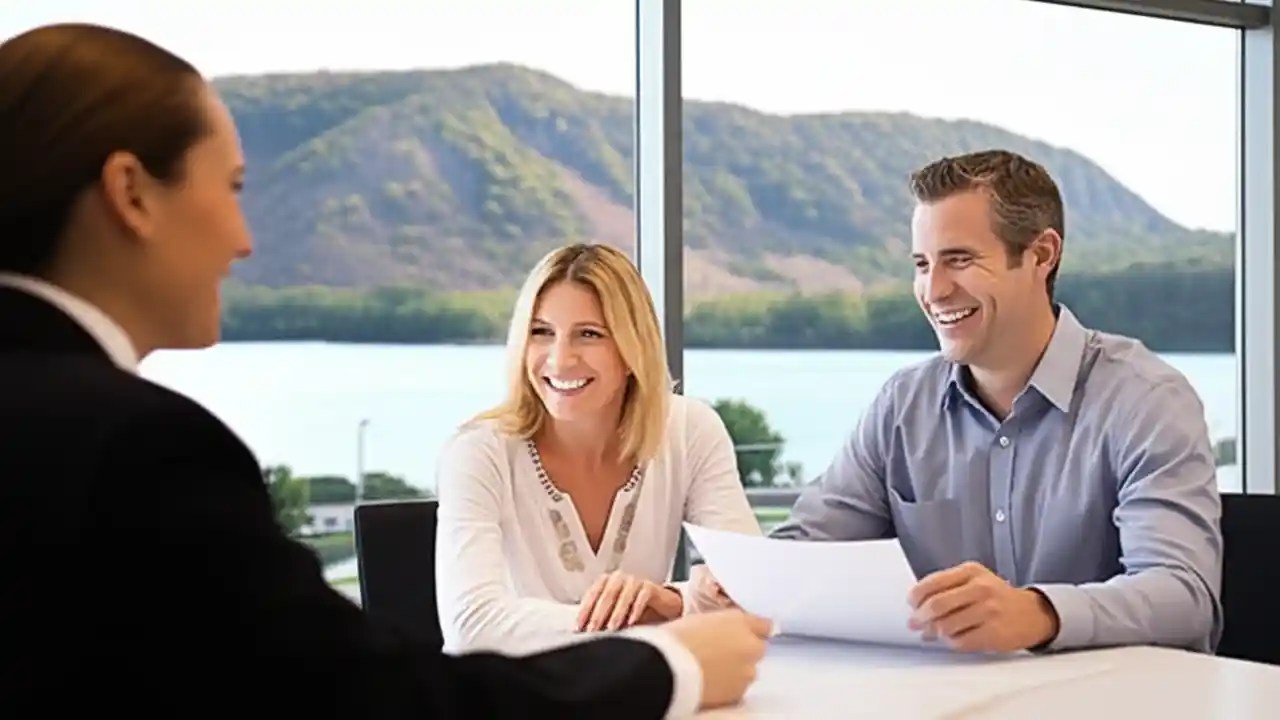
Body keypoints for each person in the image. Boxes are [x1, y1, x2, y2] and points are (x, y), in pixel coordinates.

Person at [0, 22, 773, 718]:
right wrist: (665, 665)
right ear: (130, 193)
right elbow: (361, 695)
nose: (245, 241)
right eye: (232, 188)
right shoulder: (141, 448)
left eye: (590, 335)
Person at [758, 149, 1223, 655]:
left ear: (1041, 255)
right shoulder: (902, 405)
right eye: (921, 264)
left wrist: (1041, 613)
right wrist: (728, 589)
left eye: (959, 260)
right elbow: (808, 546)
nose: (933, 290)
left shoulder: (1146, 401)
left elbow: (1183, 595)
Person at [434, 243, 762, 655]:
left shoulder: (690, 430)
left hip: (634, 694)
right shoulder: (478, 450)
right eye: (541, 333)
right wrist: (643, 616)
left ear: (632, 349)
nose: (560, 359)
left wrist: (670, 601)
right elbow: (472, 627)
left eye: (588, 335)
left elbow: (753, 592)